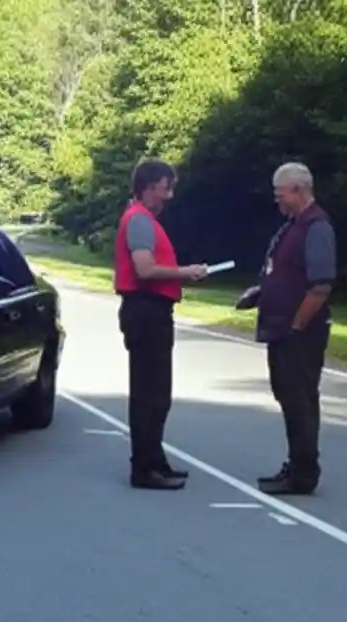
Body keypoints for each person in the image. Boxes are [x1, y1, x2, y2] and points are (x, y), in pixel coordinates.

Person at [237, 162, 337, 495]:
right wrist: (261, 292)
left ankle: (304, 471)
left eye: (281, 194)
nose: (277, 201)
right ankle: (296, 463)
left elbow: (320, 286)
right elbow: (282, 271)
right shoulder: (292, 226)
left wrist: (296, 326)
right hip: (280, 327)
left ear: (298, 190)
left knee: (300, 399)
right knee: (287, 396)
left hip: (300, 332)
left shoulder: (316, 227)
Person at [113, 158, 208, 490]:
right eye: (166, 188)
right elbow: (145, 269)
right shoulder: (140, 221)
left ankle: (155, 460)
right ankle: (144, 467)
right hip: (146, 310)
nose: (169, 195)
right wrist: (186, 272)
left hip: (151, 310)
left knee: (158, 392)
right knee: (149, 393)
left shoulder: (145, 220)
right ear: (149, 187)